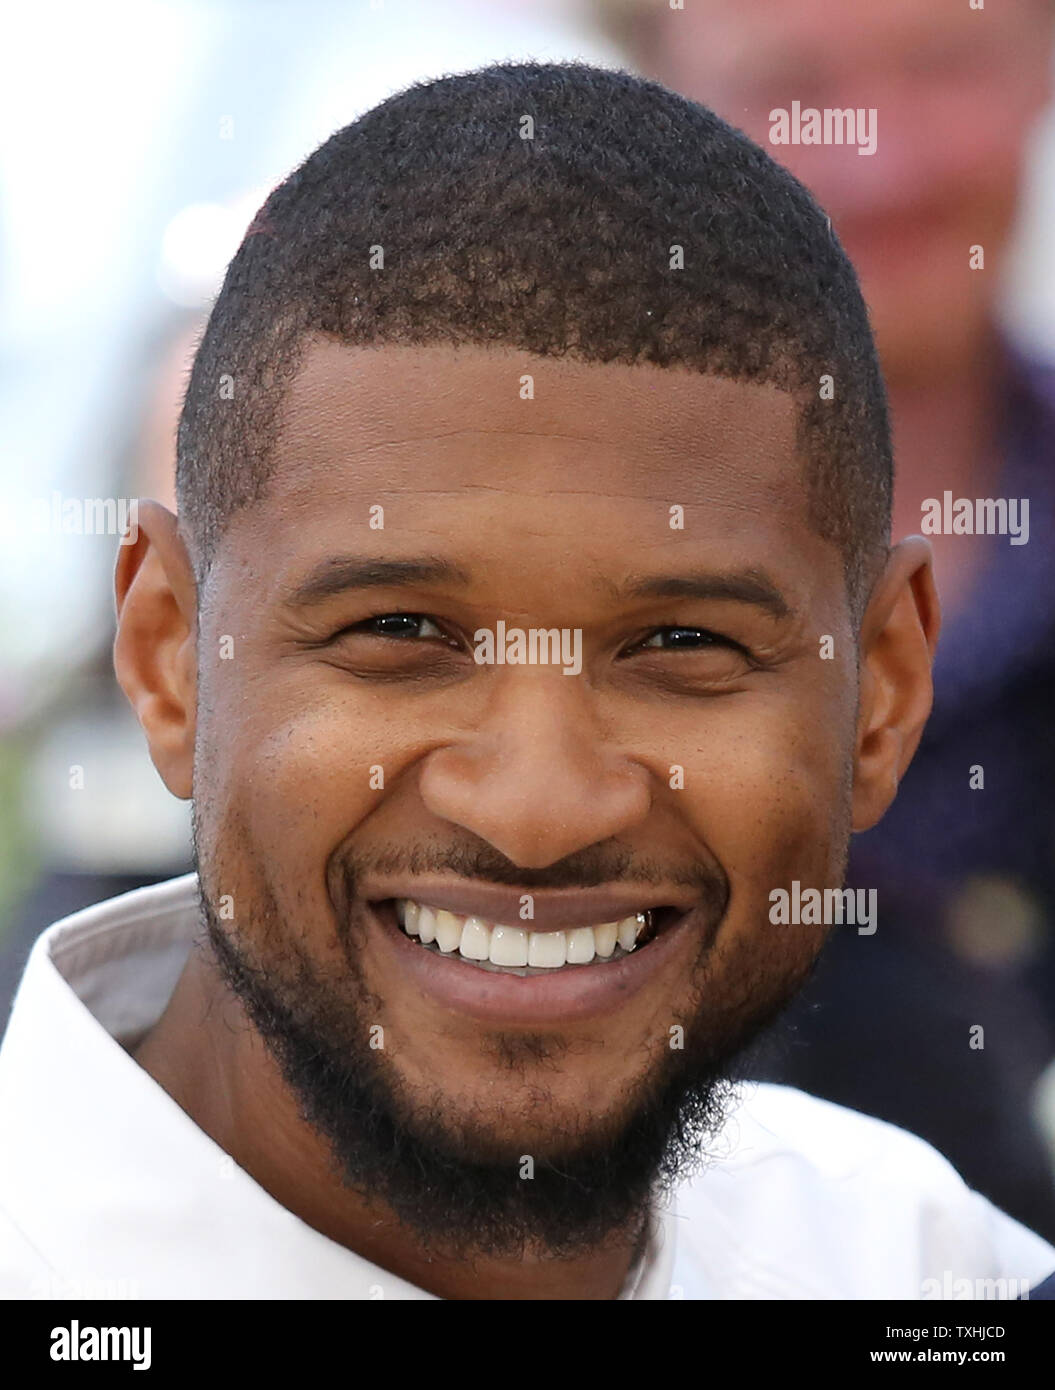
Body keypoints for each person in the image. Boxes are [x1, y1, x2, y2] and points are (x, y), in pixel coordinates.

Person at [0, 61, 1052, 1301]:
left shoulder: (926, 1273)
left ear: (880, 693)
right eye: (398, 629)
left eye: (681, 646)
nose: (537, 808)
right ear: (168, 662)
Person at [597, 0, 1055, 1241]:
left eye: (949, 65)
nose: (882, 160)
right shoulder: (503, 576)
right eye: (788, 87)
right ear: (655, 96)